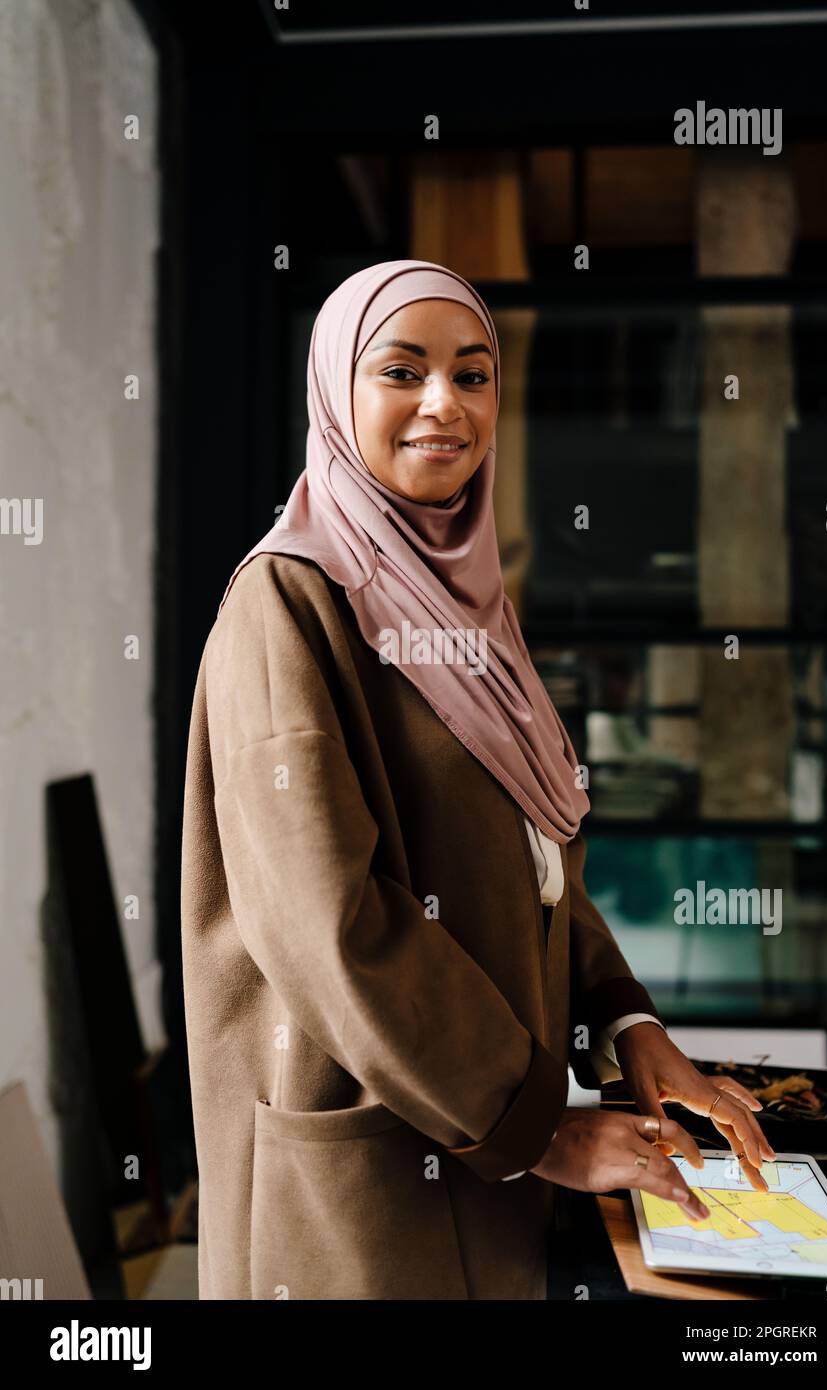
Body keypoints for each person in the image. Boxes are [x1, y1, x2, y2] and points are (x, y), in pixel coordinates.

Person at [180, 259, 775, 1301]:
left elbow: (538, 858)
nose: (444, 404)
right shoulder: (288, 607)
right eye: (400, 370)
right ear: (335, 391)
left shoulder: (466, 604)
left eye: (474, 373)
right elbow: (330, 925)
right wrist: (538, 1122)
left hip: (487, 1156)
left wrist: (627, 1024)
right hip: (376, 1181)